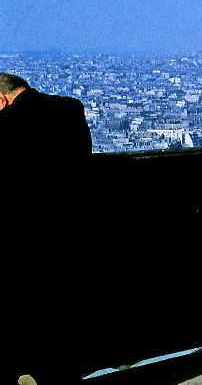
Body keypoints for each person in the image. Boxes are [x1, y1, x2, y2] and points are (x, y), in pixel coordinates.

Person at [0, 72, 92, 383]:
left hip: (24, 234)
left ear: (2, 99)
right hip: (70, 229)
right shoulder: (70, 108)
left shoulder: (6, 122)